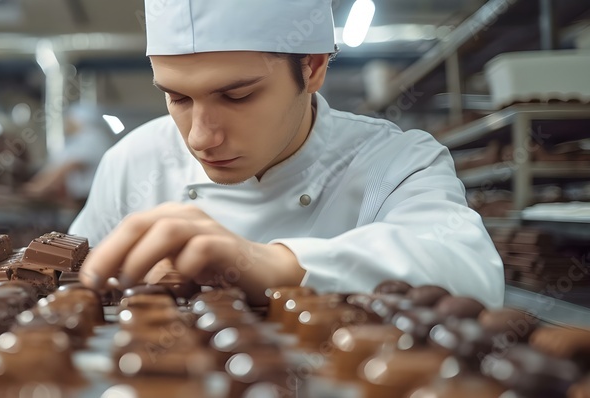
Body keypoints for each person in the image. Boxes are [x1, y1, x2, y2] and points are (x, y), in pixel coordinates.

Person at [70, 0, 504, 307]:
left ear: (312, 67)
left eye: (238, 96)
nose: (201, 138)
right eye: (178, 98)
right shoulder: (132, 162)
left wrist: (274, 265)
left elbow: (472, 275)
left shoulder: (395, 163)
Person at [23, 104, 115, 203]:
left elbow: (69, 166)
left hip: (89, 198)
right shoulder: (80, 139)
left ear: (78, 120)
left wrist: (37, 189)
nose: (66, 124)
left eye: (69, 120)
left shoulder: (92, 138)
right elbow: (56, 166)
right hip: (85, 198)